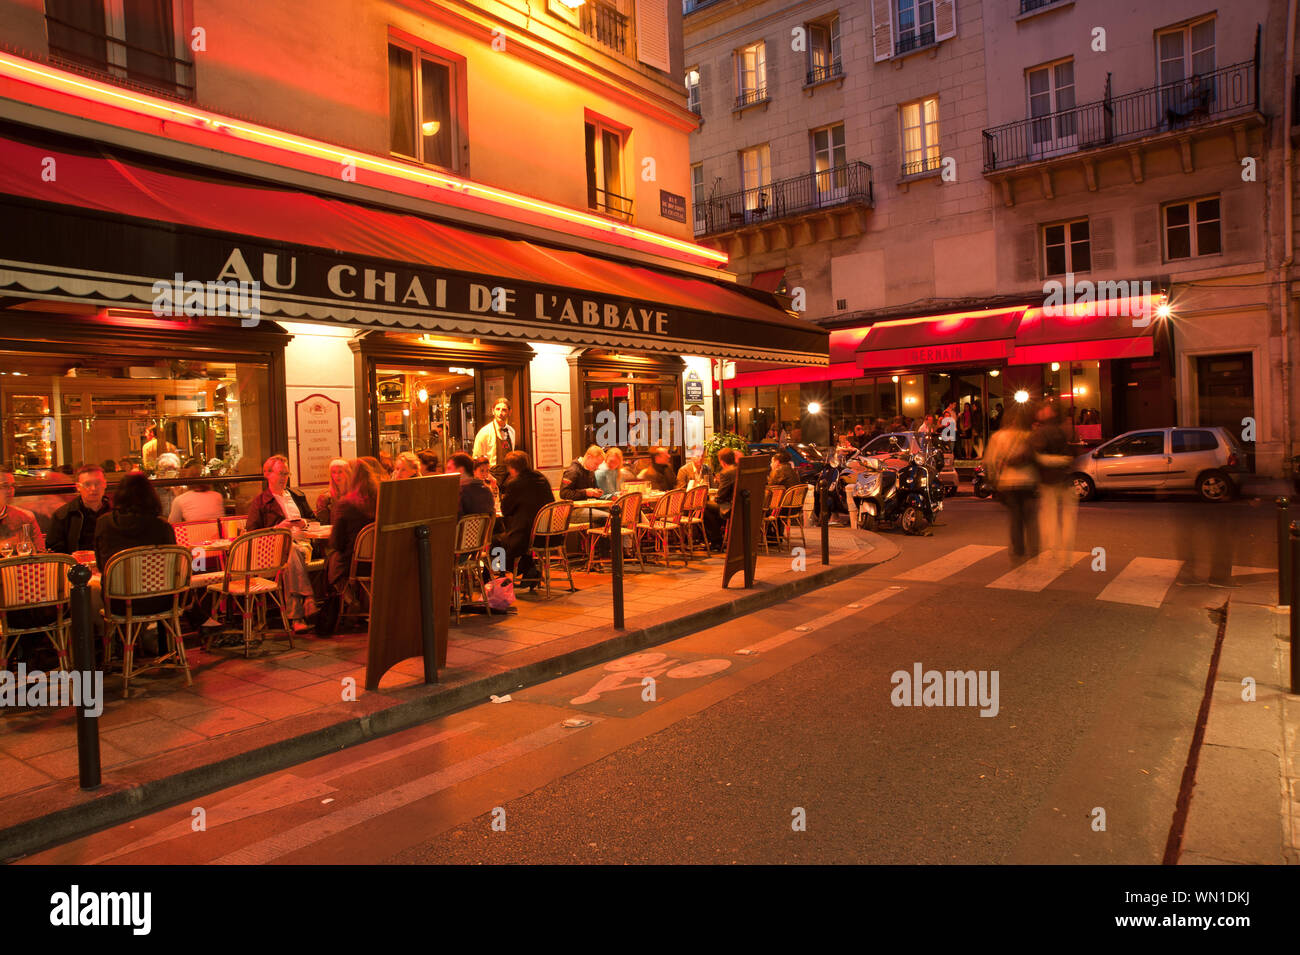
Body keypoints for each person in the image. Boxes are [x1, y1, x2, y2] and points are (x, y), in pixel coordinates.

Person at [94, 472, 178, 656]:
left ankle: (119, 650)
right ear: (151, 496)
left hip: (118, 602)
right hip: (159, 601)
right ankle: (166, 652)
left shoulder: (103, 523)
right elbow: (174, 567)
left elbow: (102, 566)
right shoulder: (161, 527)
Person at [319, 459, 381, 635]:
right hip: (379, 560)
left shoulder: (345, 504)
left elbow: (336, 542)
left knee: (332, 562)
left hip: (355, 563)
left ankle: (349, 599)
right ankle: (364, 603)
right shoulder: (380, 499)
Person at [983, 404, 1039, 560]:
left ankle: (1018, 549)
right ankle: (1034, 547)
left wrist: (994, 480)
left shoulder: (998, 437)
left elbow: (989, 461)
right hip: (1028, 480)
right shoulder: (1029, 436)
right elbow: (1037, 458)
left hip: (1008, 482)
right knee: (1029, 517)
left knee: (1015, 518)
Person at [499, 450, 554, 588]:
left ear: (511, 468)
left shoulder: (515, 484)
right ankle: (529, 570)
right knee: (511, 540)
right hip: (549, 534)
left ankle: (499, 579)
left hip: (526, 536)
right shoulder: (541, 479)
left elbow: (506, 511)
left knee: (495, 543)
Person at [1032, 402, 1076, 567]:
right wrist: (1064, 460)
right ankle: (1066, 557)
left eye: (1042, 409)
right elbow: (1072, 451)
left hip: (1049, 481)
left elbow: (1036, 456)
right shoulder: (1064, 428)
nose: (1039, 412)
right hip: (1066, 478)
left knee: (1049, 518)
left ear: (1048, 412)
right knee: (1068, 519)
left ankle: (1055, 552)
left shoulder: (1042, 432)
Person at [48, 464, 112, 554]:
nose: (93, 488)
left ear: (105, 484)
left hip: (111, 565)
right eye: (87, 484)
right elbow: (55, 551)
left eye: (98, 483)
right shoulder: (62, 515)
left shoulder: (116, 512)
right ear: (78, 487)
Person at [246, 454, 316, 530]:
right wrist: (277, 529)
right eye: (281, 473)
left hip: (304, 541)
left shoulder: (298, 495)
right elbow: (251, 533)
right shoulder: (260, 502)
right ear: (267, 474)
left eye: (286, 474)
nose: (284, 478)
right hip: (278, 541)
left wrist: (305, 523)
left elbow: (315, 522)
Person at [472, 398, 518, 485]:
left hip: (508, 477)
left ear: (509, 412)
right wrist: (487, 477)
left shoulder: (512, 431)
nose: (500, 413)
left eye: (504, 410)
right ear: (493, 411)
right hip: (490, 477)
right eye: (497, 409)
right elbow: (476, 459)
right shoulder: (484, 432)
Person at [0, 466, 46, 550]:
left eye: (13, 486)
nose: (10, 490)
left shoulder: (25, 517)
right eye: (5, 486)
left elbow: (41, 553)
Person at [449, 452, 495, 517]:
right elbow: (492, 514)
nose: (446, 472)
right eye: (482, 471)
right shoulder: (487, 491)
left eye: (449, 468)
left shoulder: (460, 492)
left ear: (460, 470)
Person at [314, 458, 350, 524]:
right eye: (333, 472)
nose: (337, 476)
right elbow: (323, 525)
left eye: (340, 472)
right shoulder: (324, 499)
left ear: (347, 473)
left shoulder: (354, 494)